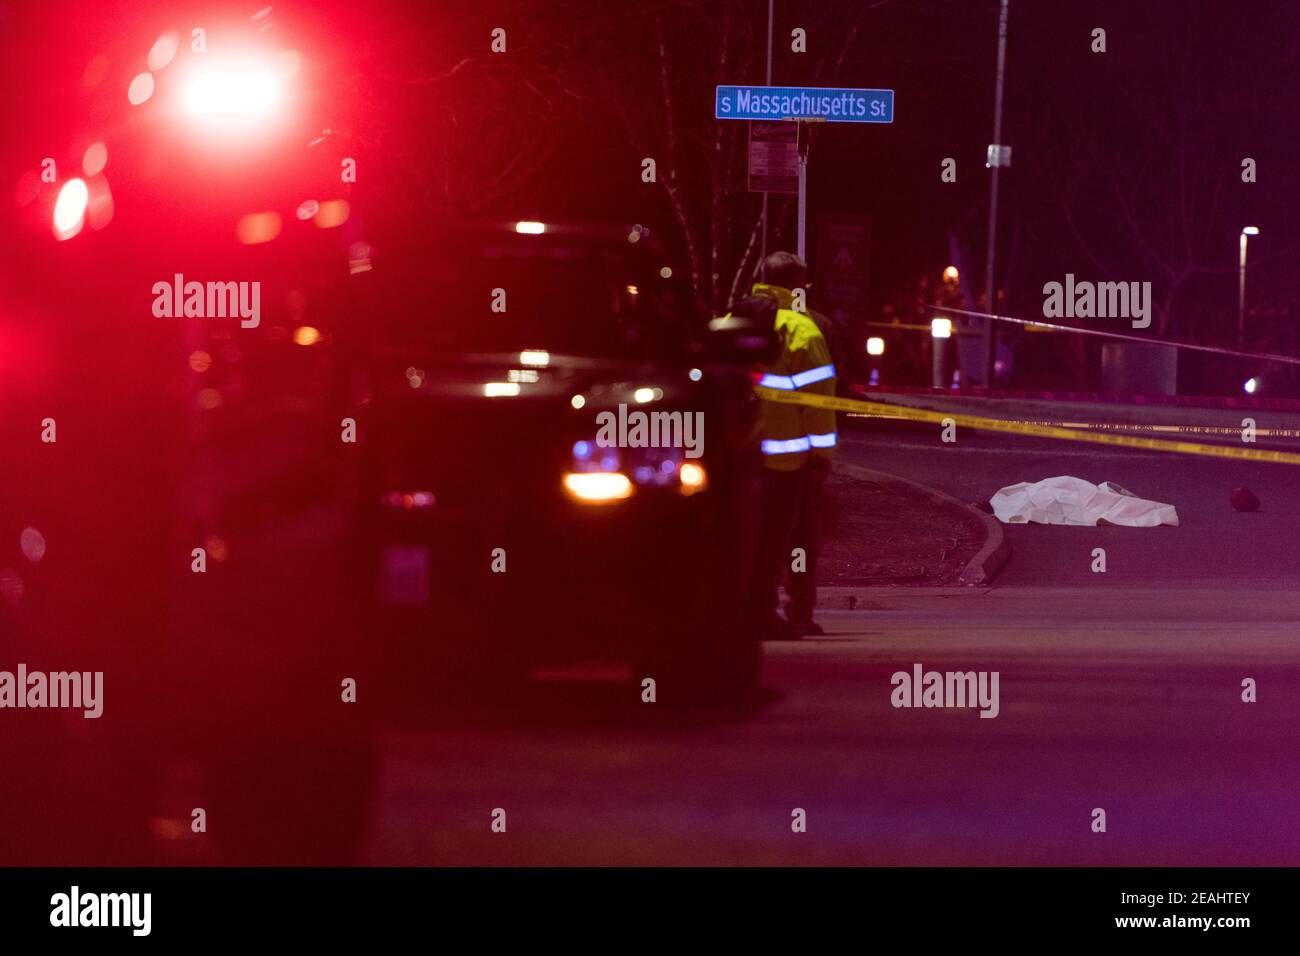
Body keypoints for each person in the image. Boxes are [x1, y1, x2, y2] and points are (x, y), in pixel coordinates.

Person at [743, 251, 838, 639]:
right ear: (796, 284)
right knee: (797, 540)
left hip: (743, 458)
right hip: (790, 461)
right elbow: (819, 402)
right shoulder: (804, 331)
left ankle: (751, 610)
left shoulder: (735, 320)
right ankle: (798, 612)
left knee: (751, 539)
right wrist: (821, 457)